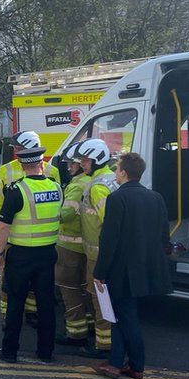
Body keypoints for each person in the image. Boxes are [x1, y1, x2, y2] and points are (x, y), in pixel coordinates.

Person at [91, 153, 171, 379]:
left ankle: (135, 365)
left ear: (124, 173)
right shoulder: (155, 197)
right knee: (120, 315)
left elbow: (109, 240)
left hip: (122, 269)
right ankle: (117, 362)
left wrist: (100, 272)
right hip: (147, 265)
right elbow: (163, 235)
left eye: (116, 169)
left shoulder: (117, 199)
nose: (114, 173)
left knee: (125, 315)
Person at [0, 143, 61, 364]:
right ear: (42, 164)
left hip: (21, 255)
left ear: (22, 166)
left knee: (15, 303)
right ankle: (46, 353)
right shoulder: (56, 188)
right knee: (46, 304)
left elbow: (3, 227)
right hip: (48, 254)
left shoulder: (17, 190)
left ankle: (10, 352)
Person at [76, 138, 118, 358]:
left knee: (99, 298)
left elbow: (109, 222)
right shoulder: (110, 178)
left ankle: (104, 346)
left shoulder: (98, 187)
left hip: (98, 253)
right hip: (104, 252)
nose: (82, 163)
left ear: (98, 159)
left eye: (85, 159)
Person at [55, 142, 93, 347]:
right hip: (86, 246)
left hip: (70, 247)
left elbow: (66, 215)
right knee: (85, 290)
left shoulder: (77, 185)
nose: (69, 168)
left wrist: (50, 213)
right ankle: (89, 325)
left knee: (68, 288)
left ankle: (76, 334)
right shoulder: (92, 181)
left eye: (72, 164)